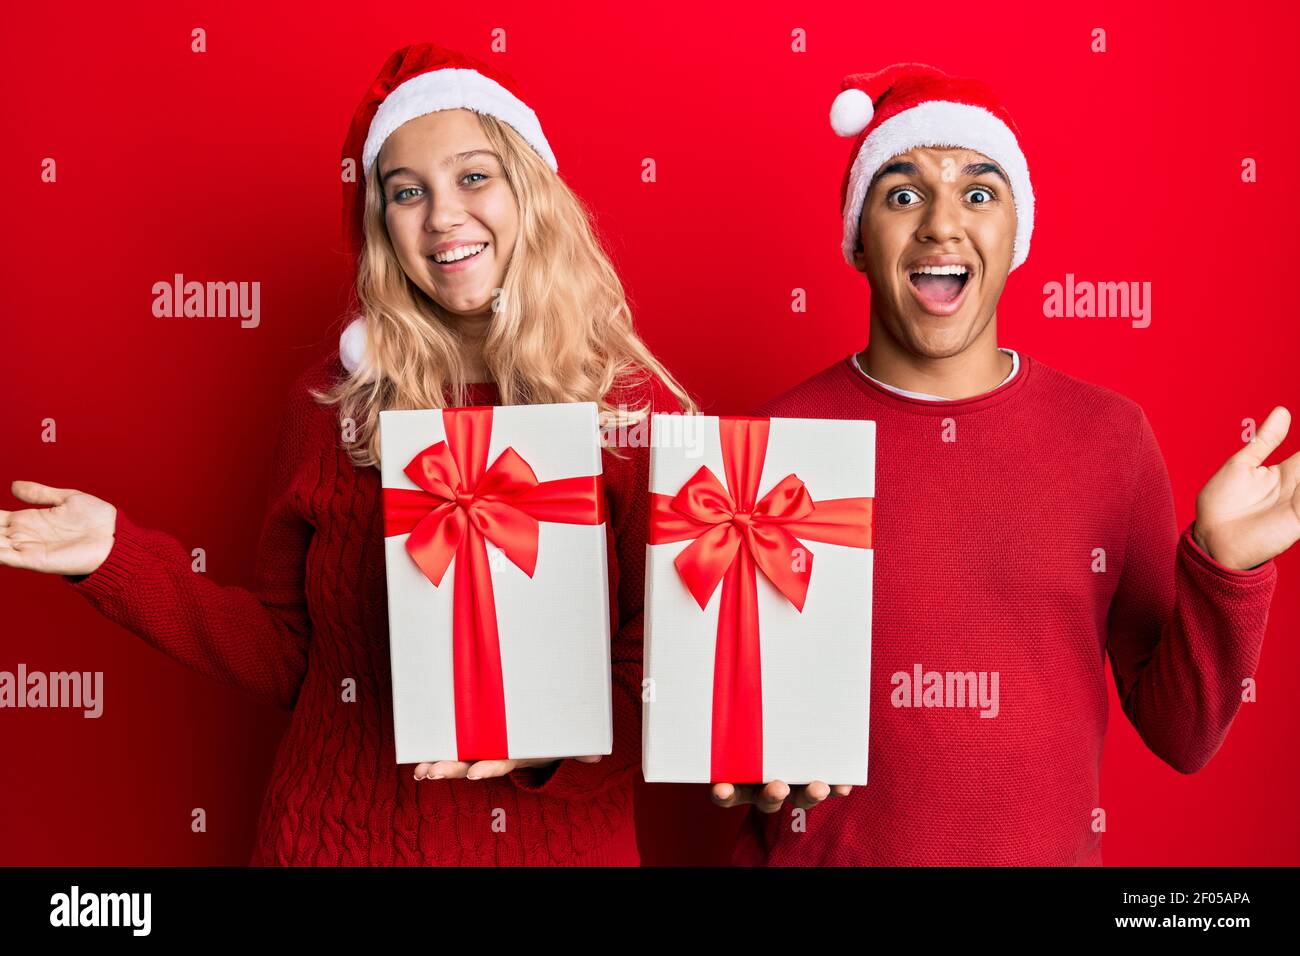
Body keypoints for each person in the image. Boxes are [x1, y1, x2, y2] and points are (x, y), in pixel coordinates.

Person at [0, 41, 694, 866]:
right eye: (407, 193)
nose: (442, 215)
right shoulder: (331, 403)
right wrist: (117, 558)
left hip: (556, 847)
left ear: (532, 192)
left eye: (474, 176)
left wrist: (550, 748)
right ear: (382, 225)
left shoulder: (628, 413)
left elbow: (667, 669)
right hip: (335, 840)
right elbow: (290, 656)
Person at [717, 63, 1297, 865]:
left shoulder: (1109, 438)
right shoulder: (776, 441)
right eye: (903, 193)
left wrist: (1224, 568)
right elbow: (730, 732)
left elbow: (1183, 736)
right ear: (859, 239)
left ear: (1016, 236)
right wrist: (740, 758)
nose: (942, 226)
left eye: (979, 194)